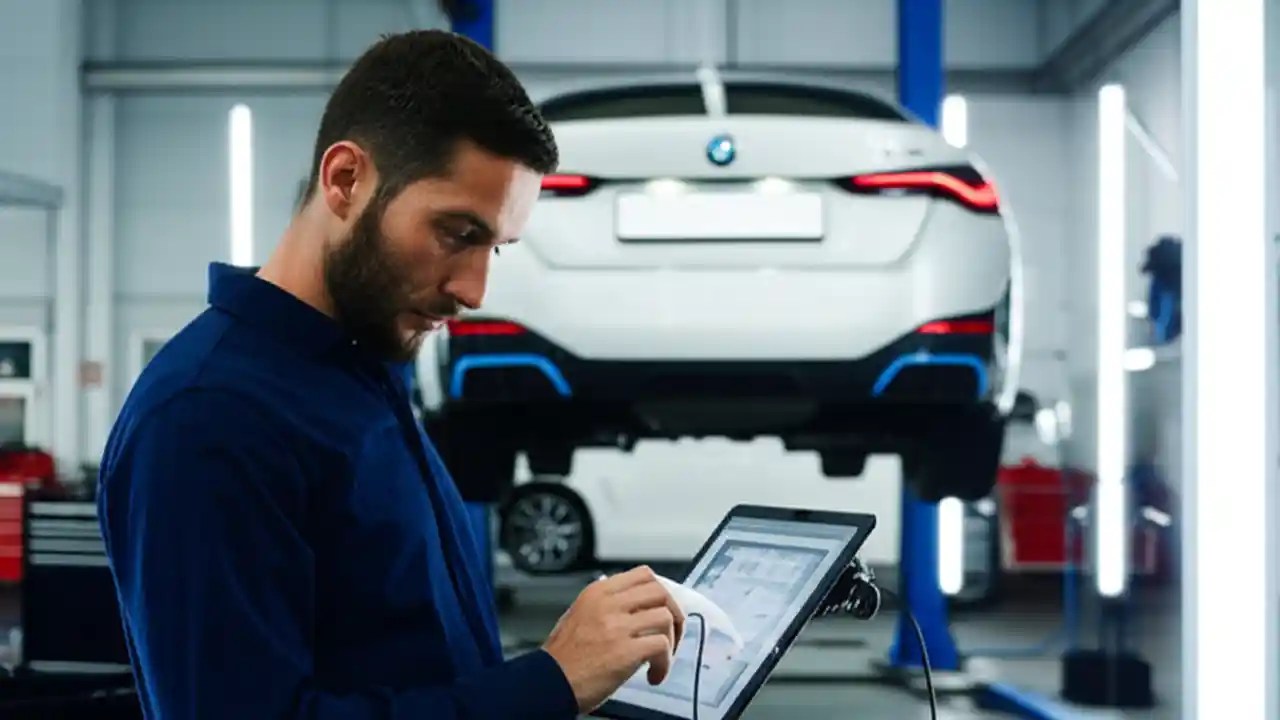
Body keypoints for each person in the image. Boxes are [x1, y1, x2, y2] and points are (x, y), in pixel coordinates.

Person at [97, 29, 683, 719]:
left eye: (497, 246)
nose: (474, 289)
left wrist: (568, 662)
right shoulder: (209, 416)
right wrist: (549, 683)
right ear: (345, 180)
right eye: (458, 234)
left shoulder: (361, 375)